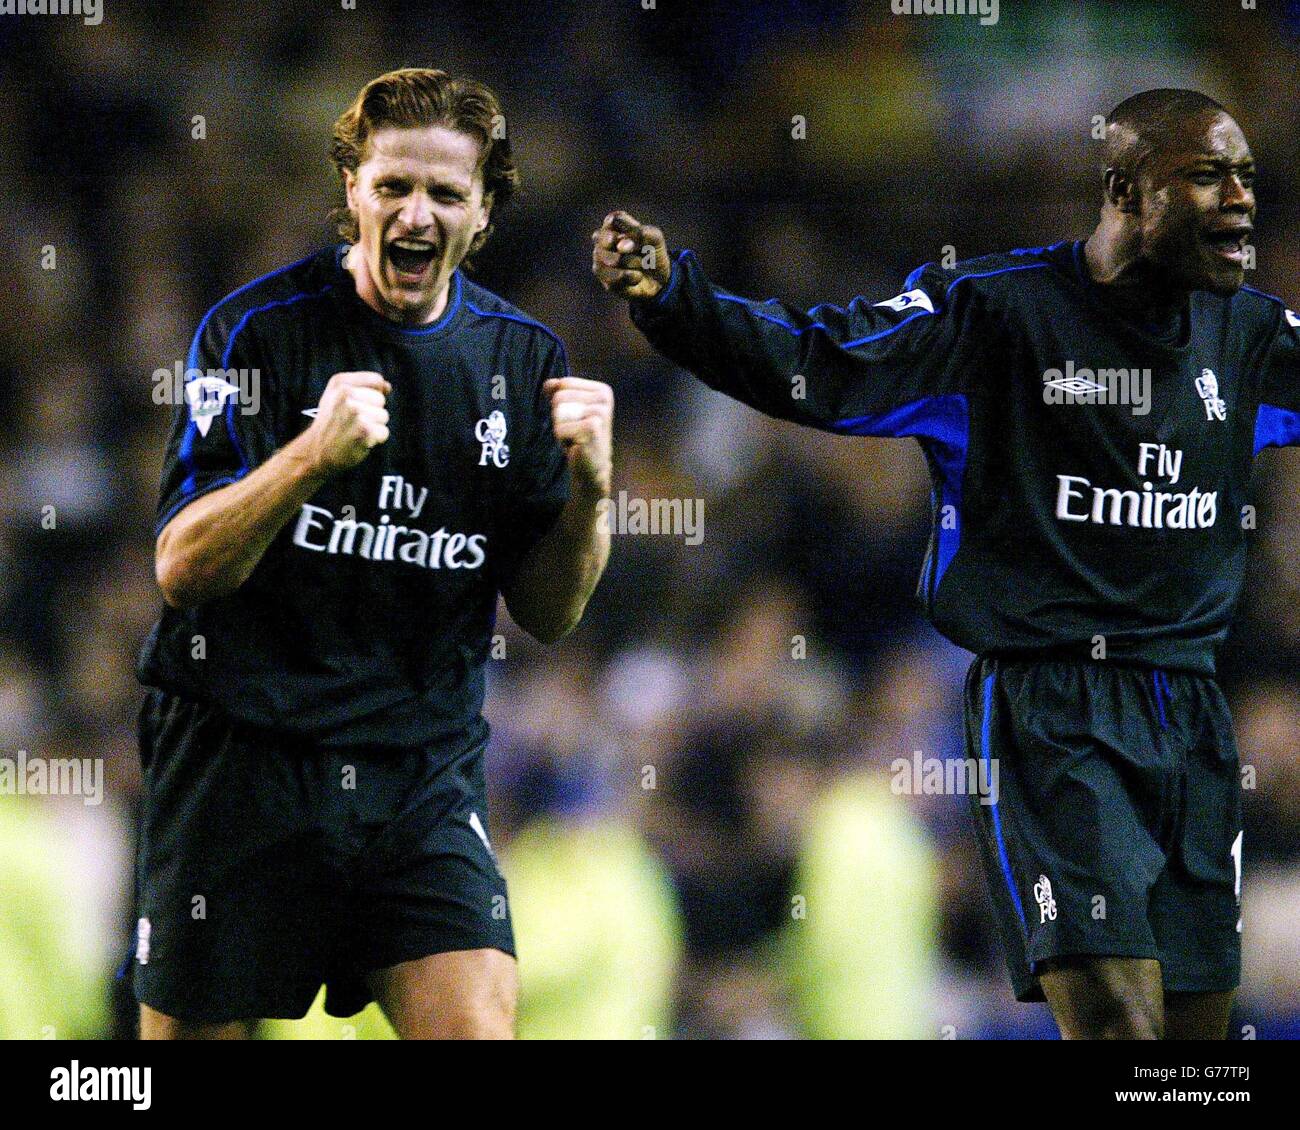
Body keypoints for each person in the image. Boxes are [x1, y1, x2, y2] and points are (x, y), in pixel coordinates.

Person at [594, 89, 1299, 1039]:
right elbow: (822, 363)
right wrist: (675, 301)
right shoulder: (996, 316)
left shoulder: (1252, 337)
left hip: (1192, 715)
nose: (1240, 202)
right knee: (1122, 1031)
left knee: (1197, 1049)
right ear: (1125, 188)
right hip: (1053, 717)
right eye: (1209, 176)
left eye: (1248, 179)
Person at [132, 67, 613, 1039]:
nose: (415, 212)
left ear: (483, 213)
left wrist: (593, 495)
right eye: (392, 185)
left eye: (444, 192)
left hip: (418, 770)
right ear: (351, 188)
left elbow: (550, 612)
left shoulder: (523, 364)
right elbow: (182, 567)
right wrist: (310, 454)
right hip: (243, 762)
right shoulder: (256, 333)